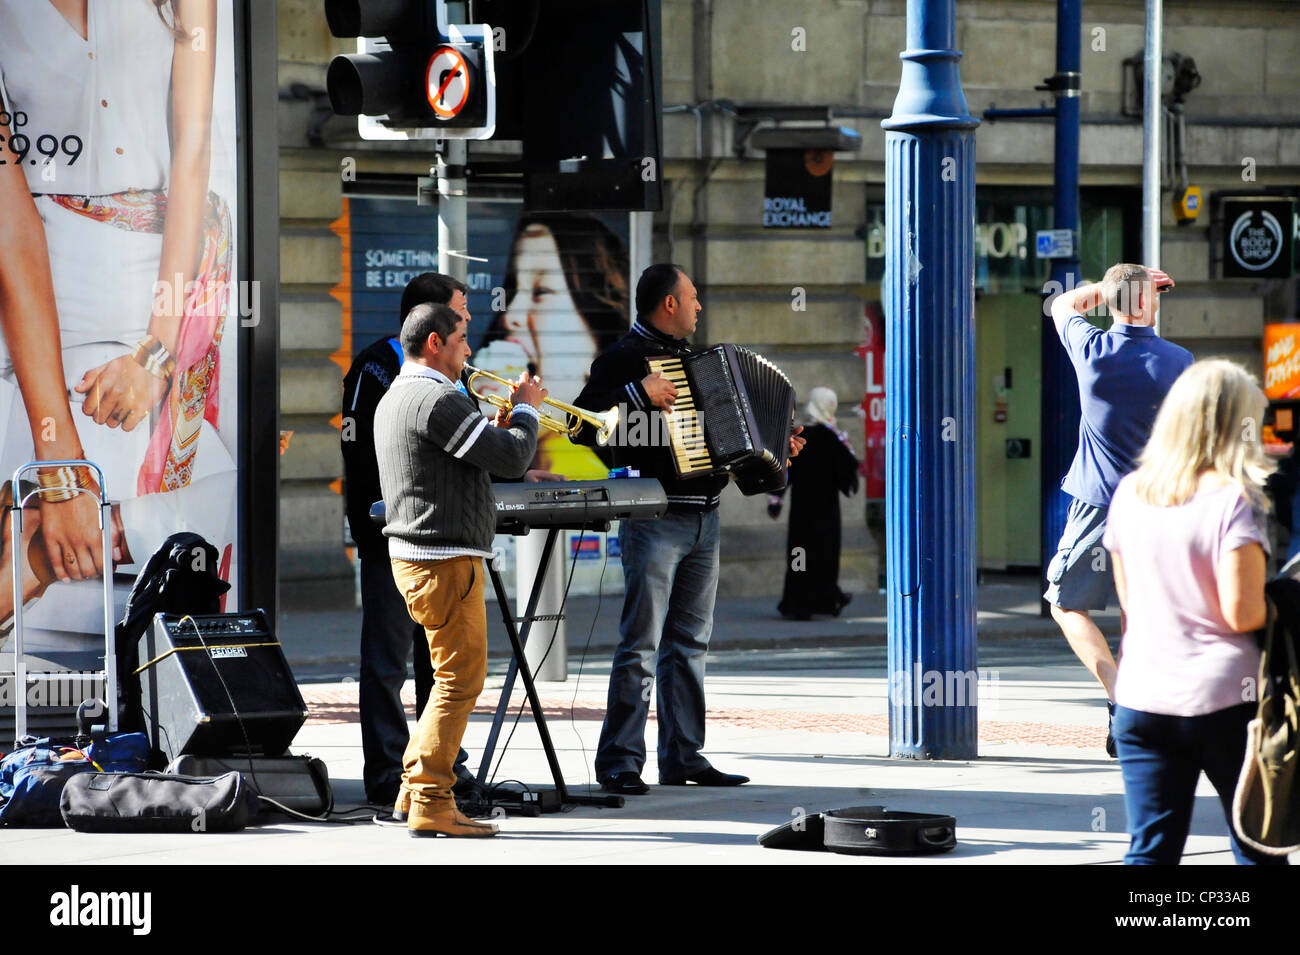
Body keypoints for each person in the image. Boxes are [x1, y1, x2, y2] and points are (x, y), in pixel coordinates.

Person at [0, 0, 237, 650]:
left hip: (159, 284)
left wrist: (156, 354)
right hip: (47, 290)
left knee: (238, 489)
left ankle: (49, 558)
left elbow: (193, 152)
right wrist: (61, 465)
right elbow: (9, 222)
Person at [572, 264, 804, 795]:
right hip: (655, 520)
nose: (699, 307)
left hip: (705, 515)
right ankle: (619, 762)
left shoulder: (706, 363)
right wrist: (636, 395)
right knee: (640, 644)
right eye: (692, 297)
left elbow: (735, 437)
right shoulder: (622, 360)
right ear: (669, 304)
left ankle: (682, 756)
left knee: (690, 644)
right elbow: (583, 425)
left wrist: (775, 443)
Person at [1103, 359, 1286, 865]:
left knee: (1150, 853)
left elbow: (1130, 602)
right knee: (1258, 846)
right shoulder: (1235, 500)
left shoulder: (1130, 494)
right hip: (1226, 700)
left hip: (1141, 695)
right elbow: (1241, 613)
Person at [373, 301, 545, 837]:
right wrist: (527, 412)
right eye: (461, 339)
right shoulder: (435, 398)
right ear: (434, 344)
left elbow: (464, 458)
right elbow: (514, 460)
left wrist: (493, 426)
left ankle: (411, 790)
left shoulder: (401, 395)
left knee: (450, 678)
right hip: (444, 560)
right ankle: (431, 799)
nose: (469, 350)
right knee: (460, 681)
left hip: (421, 559)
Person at [1043, 263, 1191, 755]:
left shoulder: (1090, 350)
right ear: (1152, 302)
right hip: (1157, 503)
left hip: (1098, 500)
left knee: (1065, 603)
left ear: (1109, 303)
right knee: (1139, 612)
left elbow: (1061, 304)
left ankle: (1119, 697)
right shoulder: (1180, 362)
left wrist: (1111, 290)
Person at [342, 272, 463, 808]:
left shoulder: (452, 371)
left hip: (443, 533)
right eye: (460, 314)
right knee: (388, 659)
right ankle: (389, 772)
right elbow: (364, 455)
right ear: (431, 322)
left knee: (437, 661)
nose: (468, 325)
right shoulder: (375, 366)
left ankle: (437, 767)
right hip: (390, 532)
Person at [473, 214, 629, 478]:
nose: (511, 315)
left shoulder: (582, 471)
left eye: (541, 292)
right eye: (513, 290)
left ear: (596, 335)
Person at [768, 386, 859, 619]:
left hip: (802, 514)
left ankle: (797, 601)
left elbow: (784, 472)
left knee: (799, 557)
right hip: (826, 513)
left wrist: (775, 501)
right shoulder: (834, 438)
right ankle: (825, 599)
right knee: (825, 556)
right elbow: (848, 475)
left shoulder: (800, 438)